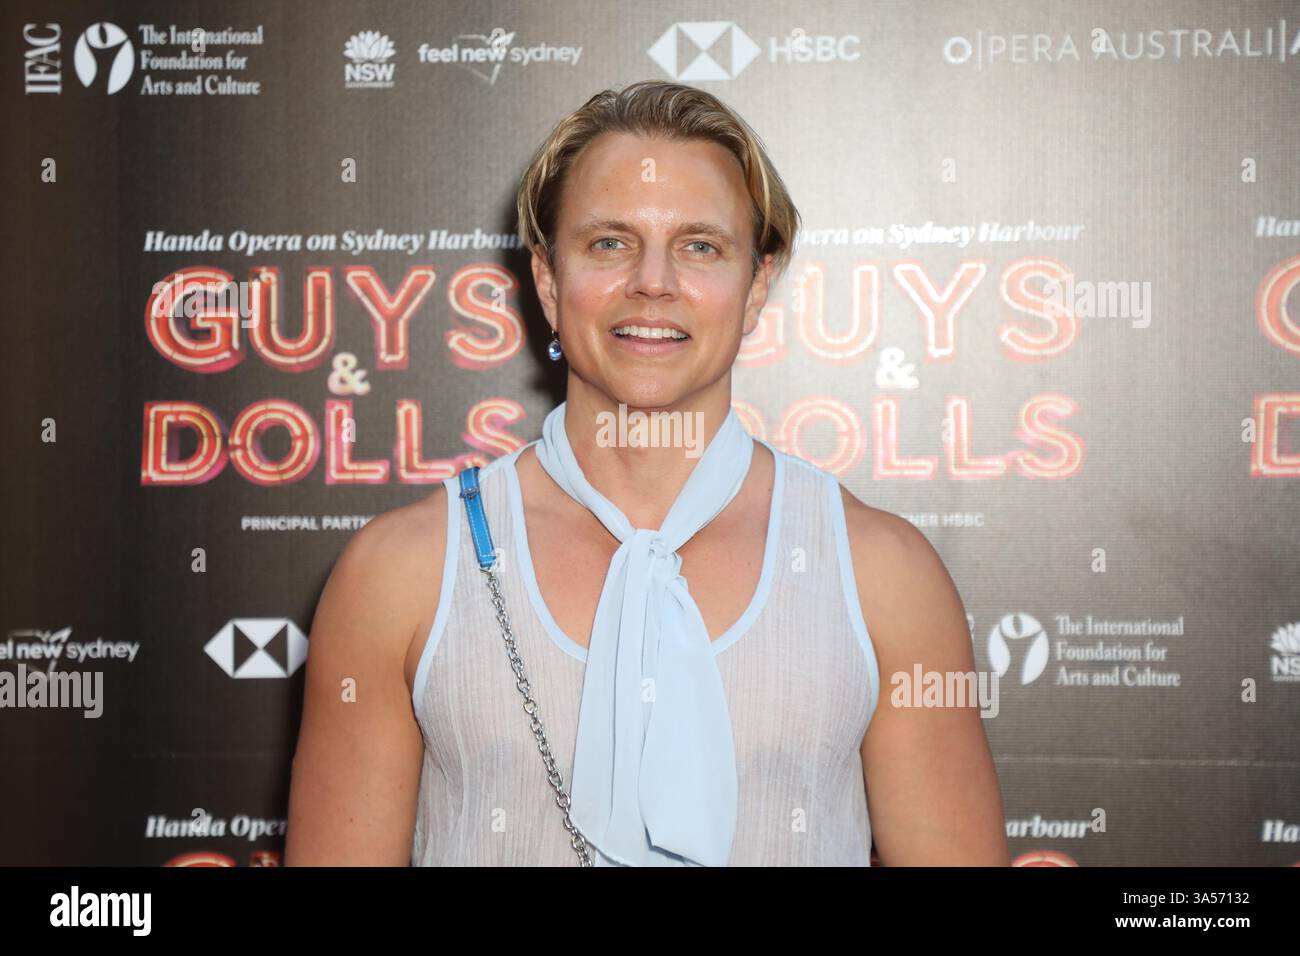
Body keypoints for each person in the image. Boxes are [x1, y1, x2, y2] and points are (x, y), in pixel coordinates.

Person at [285, 80, 1008, 866]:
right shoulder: (402, 572)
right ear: (550, 281)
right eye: (609, 243)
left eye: (700, 245)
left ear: (757, 285)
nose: (653, 282)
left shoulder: (882, 575)